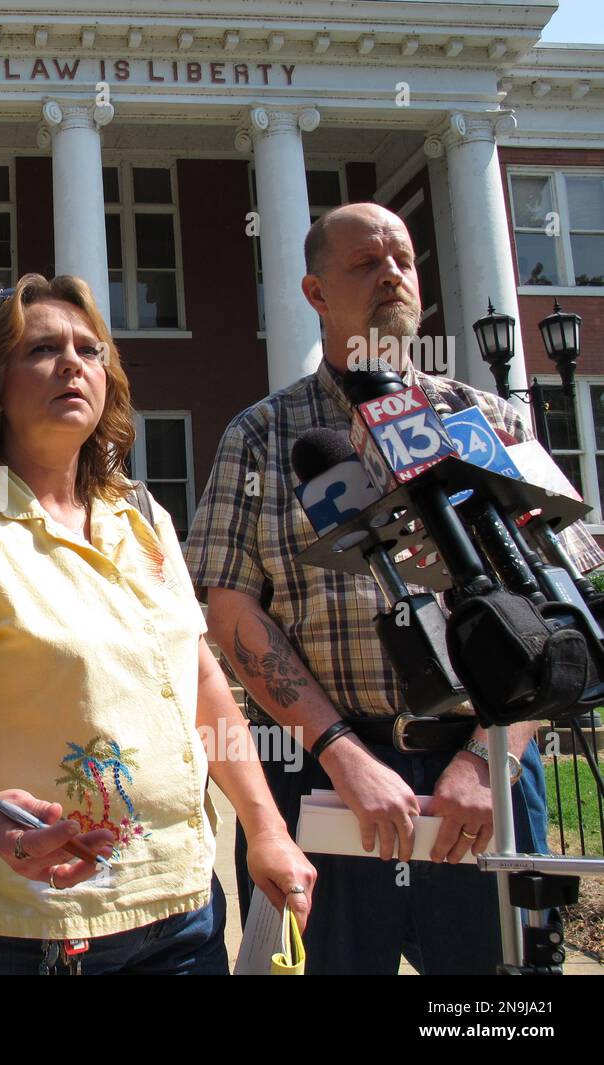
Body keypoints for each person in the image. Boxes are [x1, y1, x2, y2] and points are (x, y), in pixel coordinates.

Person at [185, 201, 604, 975]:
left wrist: (488, 758)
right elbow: (231, 609)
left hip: (483, 786)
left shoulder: (491, 423)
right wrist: (342, 752)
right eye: (366, 264)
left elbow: (562, 617)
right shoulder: (262, 436)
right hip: (324, 781)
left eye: (403, 261)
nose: (392, 276)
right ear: (316, 293)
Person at [0, 274, 315, 975]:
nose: (73, 362)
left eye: (89, 348)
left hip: (182, 904)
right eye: (43, 348)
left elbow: (200, 680)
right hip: (27, 920)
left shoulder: (145, 521)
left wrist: (266, 826)